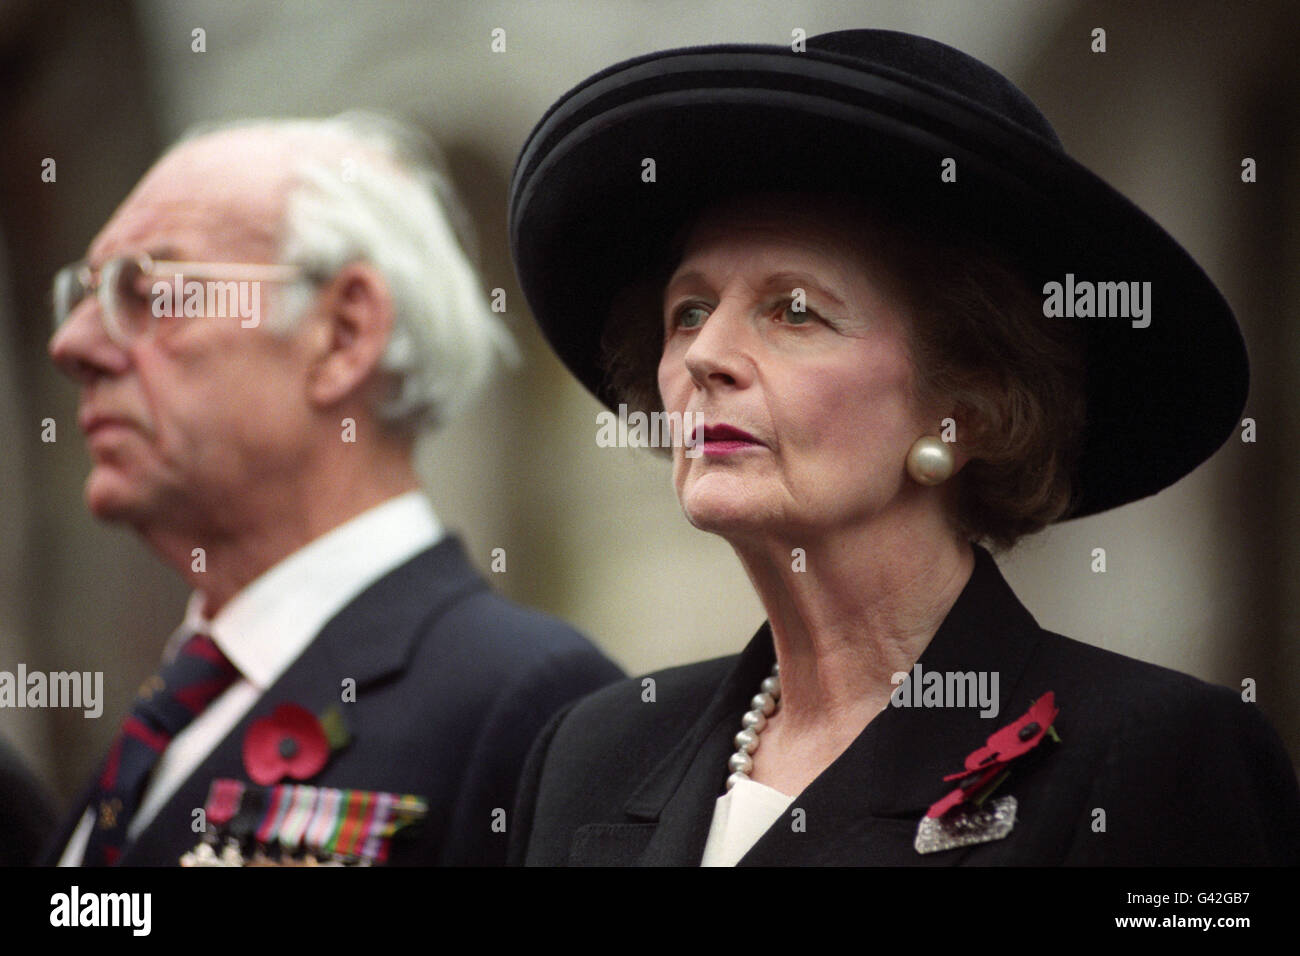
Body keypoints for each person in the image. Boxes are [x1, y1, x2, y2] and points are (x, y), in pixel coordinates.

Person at [505, 30, 1300, 865]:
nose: (705, 356)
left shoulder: (1149, 760)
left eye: (795, 310)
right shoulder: (592, 751)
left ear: (971, 411)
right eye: (690, 311)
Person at [42, 112, 622, 866]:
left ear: (344, 334)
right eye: (82, 296)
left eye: (151, 292)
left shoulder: (533, 701)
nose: (74, 344)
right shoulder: (182, 701)